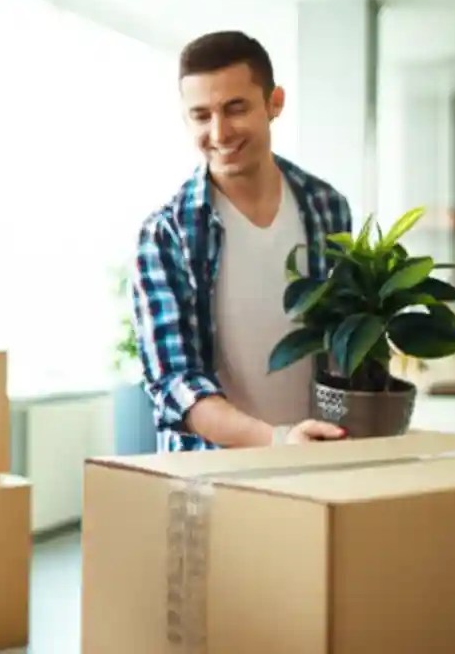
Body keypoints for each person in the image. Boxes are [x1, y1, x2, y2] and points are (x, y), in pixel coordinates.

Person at [131, 30, 351, 453]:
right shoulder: (166, 234)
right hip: (210, 477)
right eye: (200, 115)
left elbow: (348, 338)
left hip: (320, 459)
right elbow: (174, 382)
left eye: (235, 108)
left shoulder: (327, 208)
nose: (219, 132)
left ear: (275, 103)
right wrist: (278, 440)